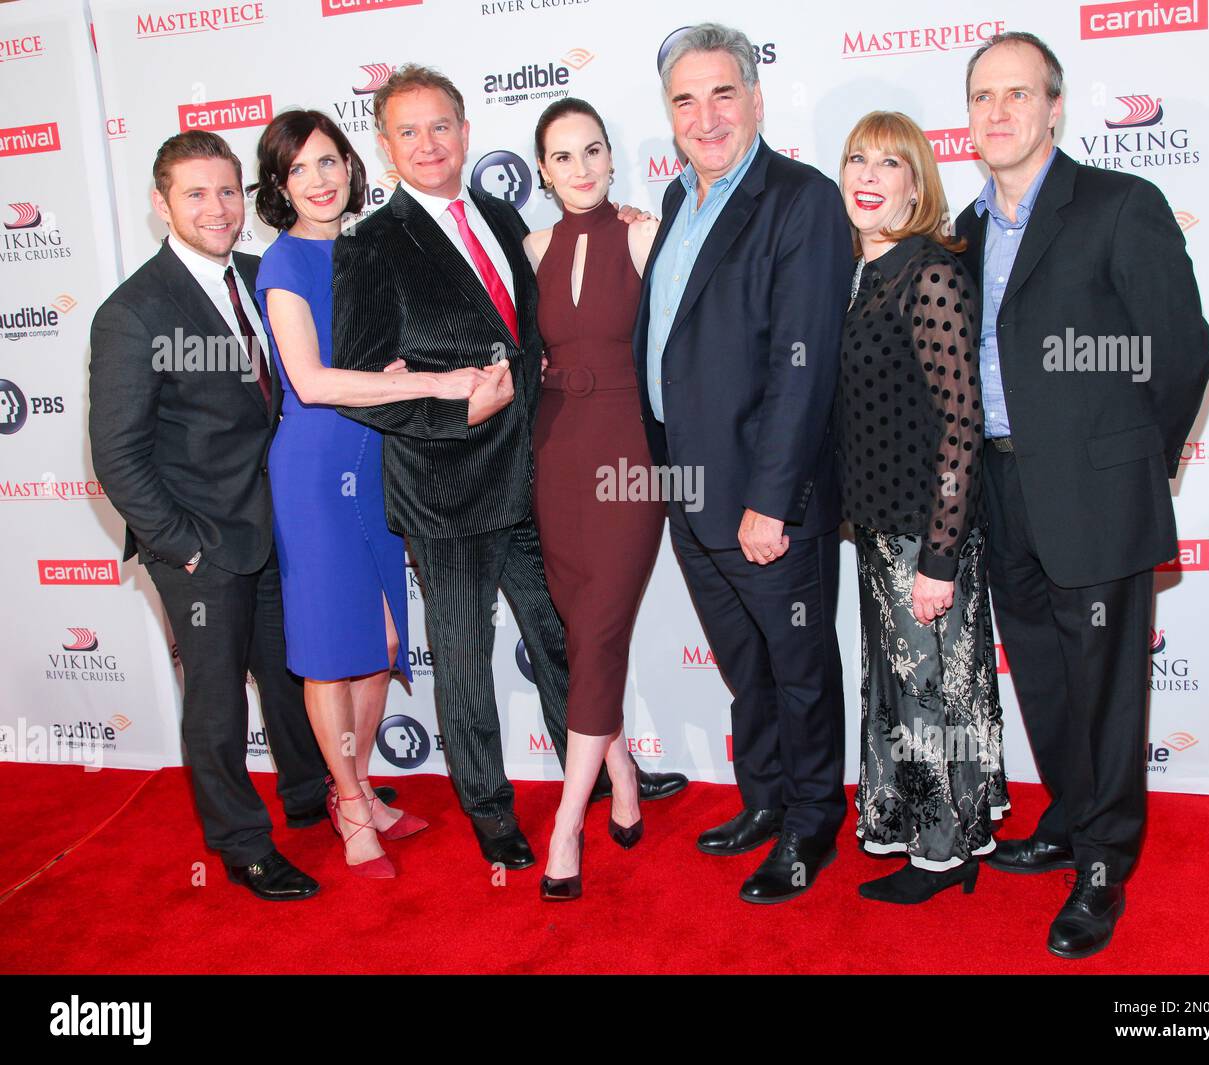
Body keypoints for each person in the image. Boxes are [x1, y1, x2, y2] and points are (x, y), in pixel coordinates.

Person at [955, 32, 1209, 957]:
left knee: (1105, 690)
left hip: (1095, 492)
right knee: (1051, 681)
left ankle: (1104, 868)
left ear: (1055, 105)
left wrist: (1132, 460)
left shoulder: (1117, 204)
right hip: (1000, 487)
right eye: (983, 95)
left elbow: (1178, 353)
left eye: (1018, 94)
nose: (999, 111)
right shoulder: (966, 227)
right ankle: (1068, 817)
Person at [329, 64, 571, 870]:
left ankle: (595, 767)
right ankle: (489, 807)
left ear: (466, 132)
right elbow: (359, 381)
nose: (429, 144)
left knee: (560, 635)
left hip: (532, 474)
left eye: (442, 126)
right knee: (465, 661)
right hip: (445, 489)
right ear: (387, 147)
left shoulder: (500, 215)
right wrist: (450, 410)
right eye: (410, 131)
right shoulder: (369, 244)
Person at [634, 24, 853, 904]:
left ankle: (812, 823)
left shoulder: (801, 199)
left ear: (757, 100)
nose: (705, 114)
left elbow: (805, 361)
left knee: (799, 671)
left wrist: (771, 501)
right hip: (687, 490)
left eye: (722, 93)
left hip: (766, 498)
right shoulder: (679, 201)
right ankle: (765, 801)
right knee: (745, 666)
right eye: (685, 99)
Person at [88, 131, 329, 901]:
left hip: (275, 526)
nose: (217, 207)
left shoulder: (260, 278)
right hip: (200, 541)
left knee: (293, 677)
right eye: (195, 193)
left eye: (227, 190)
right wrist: (184, 546)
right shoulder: (132, 311)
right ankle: (240, 842)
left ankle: (307, 794)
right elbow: (118, 455)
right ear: (162, 206)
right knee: (219, 698)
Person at [250, 110, 471, 877]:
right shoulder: (281, 264)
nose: (319, 179)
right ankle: (349, 800)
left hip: (377, 455)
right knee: (329, 653)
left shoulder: (363, 250)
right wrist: (430, 383)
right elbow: (308, 381)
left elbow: (375, 351)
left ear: (350, 166)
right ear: (281, 187)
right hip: (314, 470)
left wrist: (407, 370)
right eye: (300, 169)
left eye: (329, 162)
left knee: (379, 642)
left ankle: (359, 786)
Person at [834, 111, 1008, 905]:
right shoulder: (866, 272)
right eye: (857, 160)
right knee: (908, 685)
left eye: (889, 165)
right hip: (879, 526)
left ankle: (947, 851)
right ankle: (921, 822)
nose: (868, 176)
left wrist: (940, 558)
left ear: (917, 184)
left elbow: (961, 425)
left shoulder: (929, 274)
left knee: (935, 688)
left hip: (924, 533)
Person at [523, 98, 688, 902]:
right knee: (577, 621)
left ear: (612, 158)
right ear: (544, 171)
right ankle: (620, 777)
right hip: (555, 450)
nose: (582, 167)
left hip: (630, 453)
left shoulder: (648, 234)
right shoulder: (531, 247)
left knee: (599, 626)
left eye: (594, 150)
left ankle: (566, 824)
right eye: (563, 156)